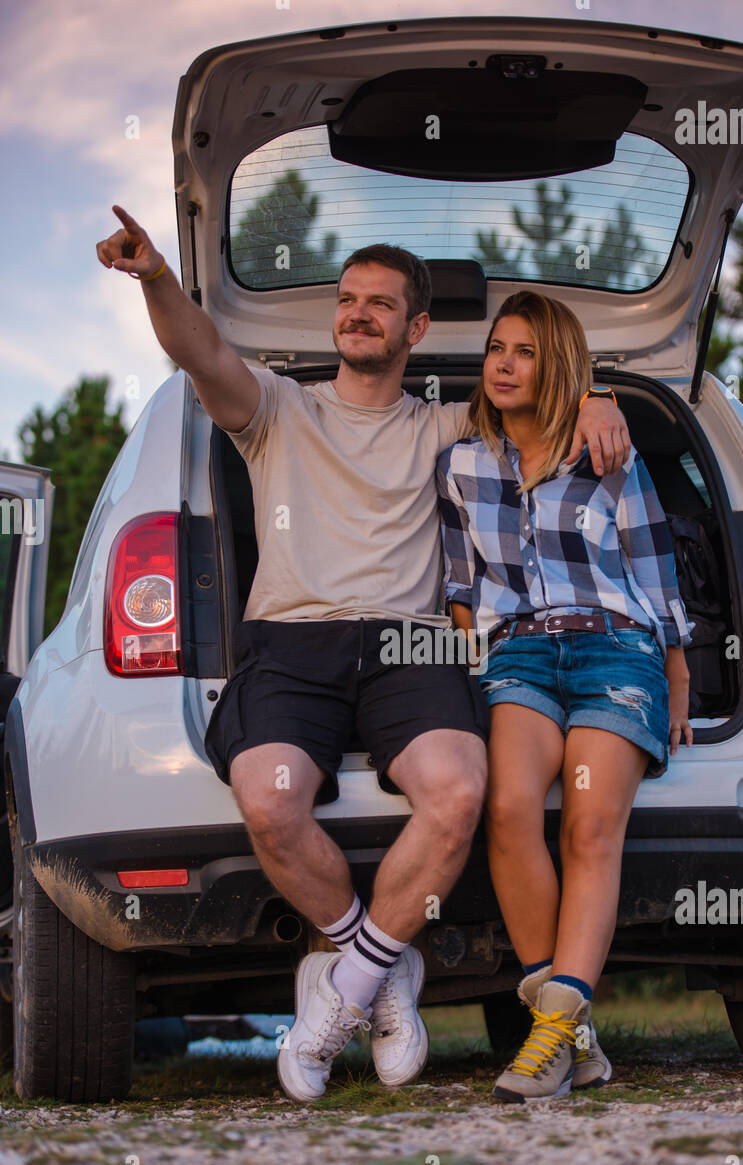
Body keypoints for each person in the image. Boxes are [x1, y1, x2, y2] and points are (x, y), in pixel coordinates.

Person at [96, 208, 633, 1102]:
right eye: (348, 300)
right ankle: (384, 970)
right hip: (291, 640)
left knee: (460, 791)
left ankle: (340, 993)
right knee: (270, 802)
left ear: (413, 328)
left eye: (380, 304)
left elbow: (531, 400)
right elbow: (201, 352)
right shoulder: (274, 408)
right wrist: (157, 277)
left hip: (410, 642)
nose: (358, 314)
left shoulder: (443, 427)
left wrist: (597, 393)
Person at [436, 290, 693, 1103]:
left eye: (526, 352)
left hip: (615, 650)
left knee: (587, 823)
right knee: (509, 810)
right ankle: (569, 1029)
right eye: (496, 349)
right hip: (518, 656)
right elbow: (458, 584)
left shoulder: (607, 454)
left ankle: (548, 1036)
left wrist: (677, 680)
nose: (504, 365)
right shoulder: (461, 464)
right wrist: (467, 652)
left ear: (559, 369)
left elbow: (654, 569)